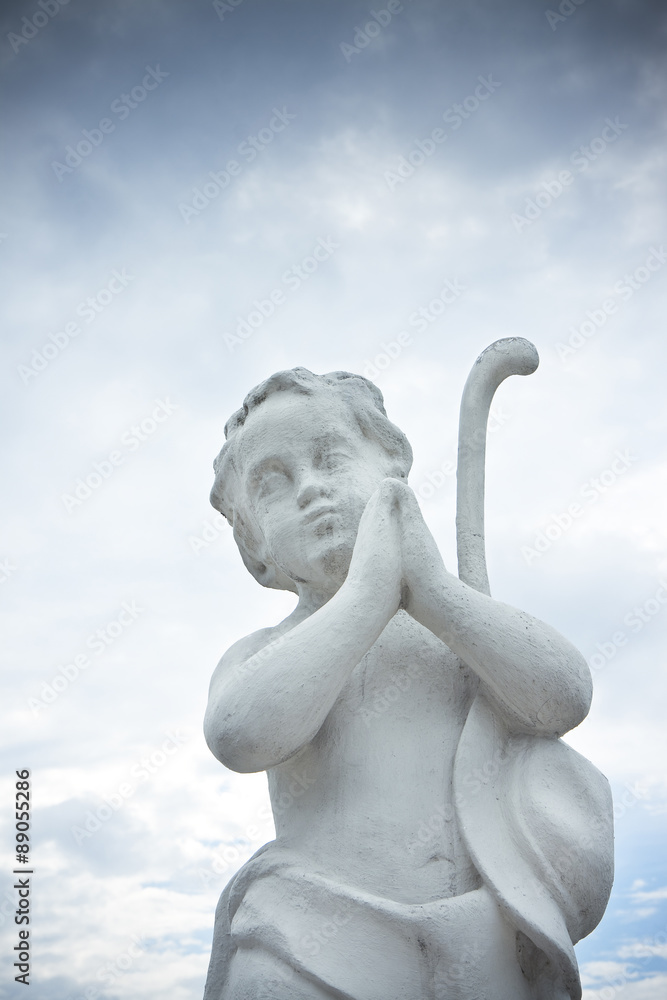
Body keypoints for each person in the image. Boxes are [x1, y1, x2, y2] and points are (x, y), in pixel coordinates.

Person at [202, 367, 613, 1000]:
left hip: (475, 935)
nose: (310, 488)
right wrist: (368, 595)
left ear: (391, 465)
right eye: (273, 484)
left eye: (330, 457)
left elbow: (563, 697)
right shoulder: (264, 653)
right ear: (252, 543)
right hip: (309, 933)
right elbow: (241, 735)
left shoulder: (460, 630)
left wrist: (438, 594)